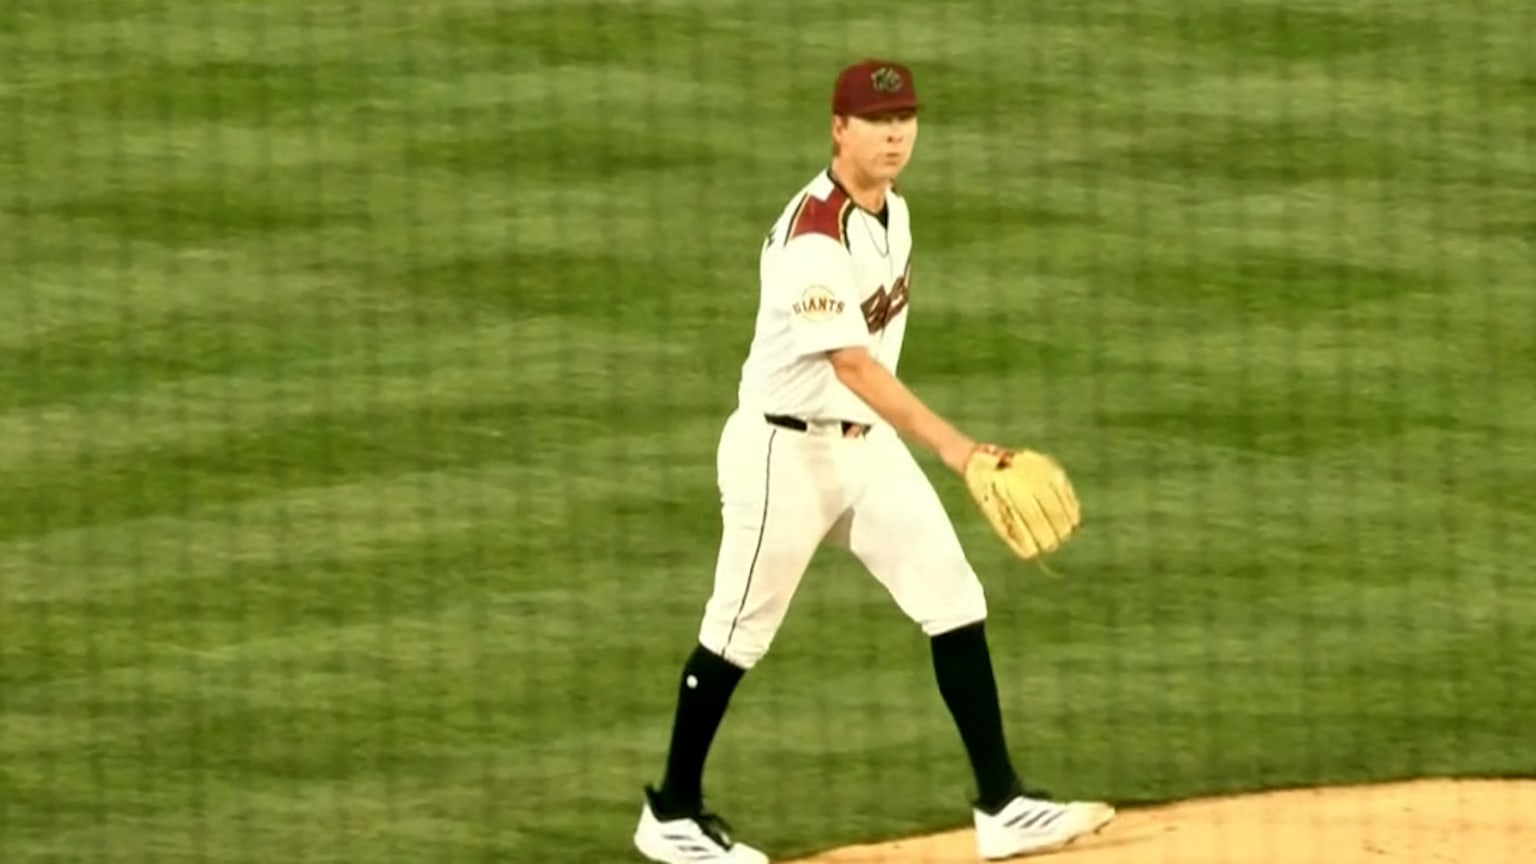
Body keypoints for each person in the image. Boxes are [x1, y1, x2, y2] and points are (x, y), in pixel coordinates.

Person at [631, 59, 1115, 864]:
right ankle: (672, 812)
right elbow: (852, 364)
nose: (895, 135)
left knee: (954, 597)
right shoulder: (813, 239)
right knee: (736, 633)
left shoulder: (895, 213)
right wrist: (958, 449)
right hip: (782, 455)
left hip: (863, 449)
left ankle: (1002, 804)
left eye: (904, 119)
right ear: (838, 128)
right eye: (877, 121)